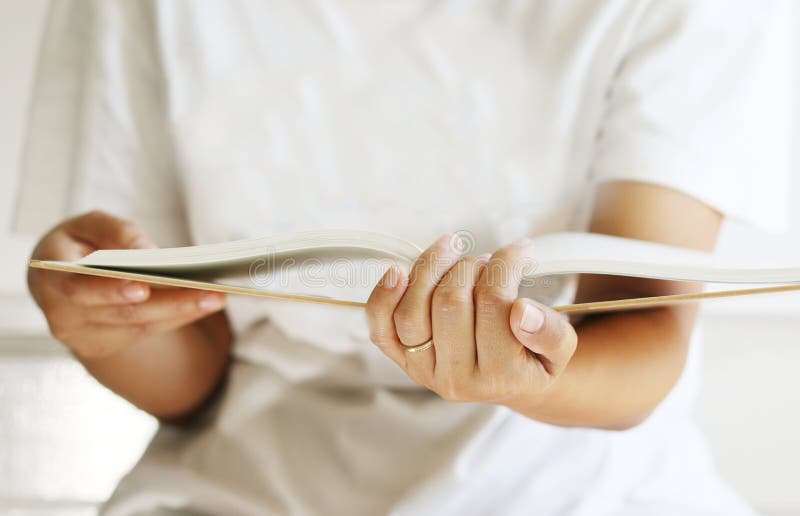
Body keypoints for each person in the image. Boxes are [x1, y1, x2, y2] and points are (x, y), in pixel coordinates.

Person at [16, 1, 790, 515]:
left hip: (579, 492)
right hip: (237, 492)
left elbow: (647, 332)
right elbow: (194, 379)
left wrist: (524, 376)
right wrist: (103, 326)